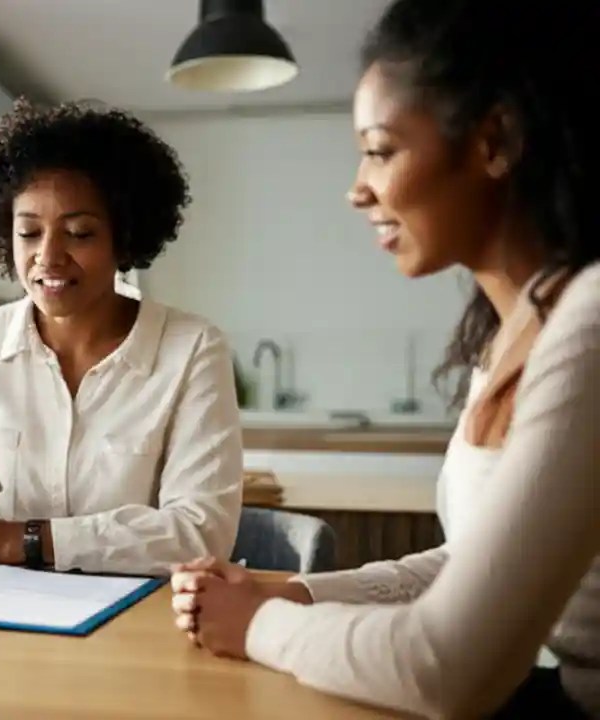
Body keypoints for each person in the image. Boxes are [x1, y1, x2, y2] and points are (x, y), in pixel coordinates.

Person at [168, 0, 600, 717]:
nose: (357, 187)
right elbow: (473, 560)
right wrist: (290, 590)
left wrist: (258, 625)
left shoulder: (587, 323)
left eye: (381, 148)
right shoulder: (512, 335)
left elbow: (445, 669)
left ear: (494, 141)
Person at [0, 99, 245, 576]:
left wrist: (14, 539)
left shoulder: (191, 349)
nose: (48, 257)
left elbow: (200, 533)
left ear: (124, 238)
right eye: (29, 233)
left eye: (80, 233)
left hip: (135, 623)